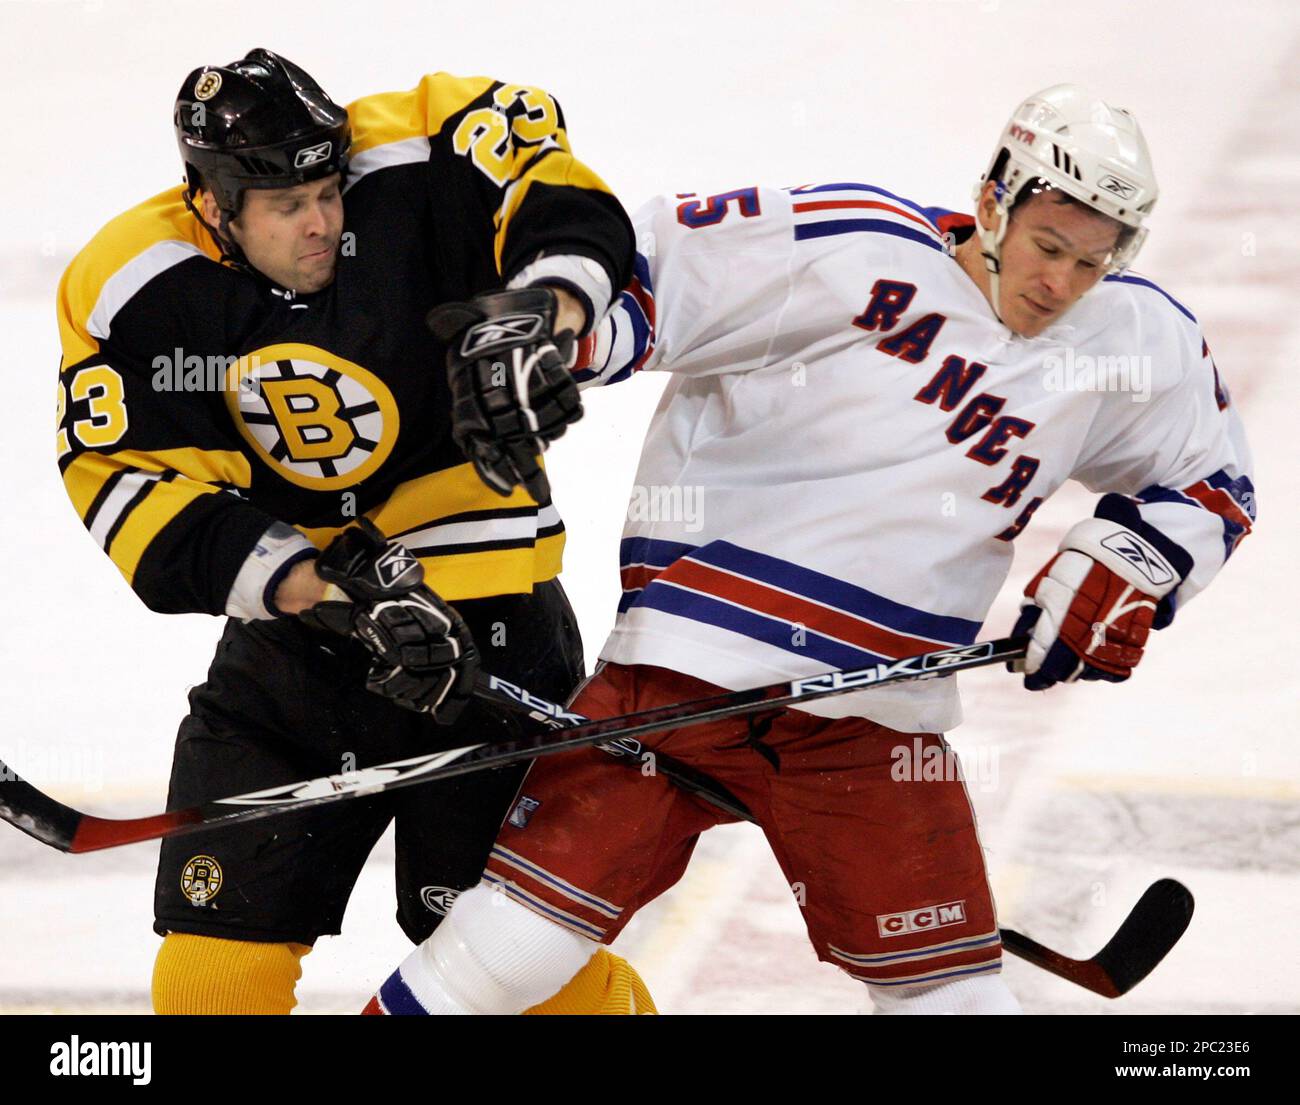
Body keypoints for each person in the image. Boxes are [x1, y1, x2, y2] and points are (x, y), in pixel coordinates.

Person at [361, 85, 1255, 1015]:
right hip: (676, 689)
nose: (1062, 284)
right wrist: (558, 327)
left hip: (875, 725)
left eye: (1091, 263)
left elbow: (1211, 480)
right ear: (995, 201)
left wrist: (1127, 565)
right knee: (501, 954)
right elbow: (645, 270)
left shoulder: (1134, 341)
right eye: (1048, 248)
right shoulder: (849, 247)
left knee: (956, 1005)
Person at [55, 48, 657, 1014]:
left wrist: (545, 311)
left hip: (489, 638)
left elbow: (557, 187)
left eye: (329, 190)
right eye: (288, 204)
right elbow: (132, 490)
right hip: (300, 646)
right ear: (213, 204)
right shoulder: (137, 286)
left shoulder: (423, 150)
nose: (323, 221)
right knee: (215, 981)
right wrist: (327, 595)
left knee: (526, 982)